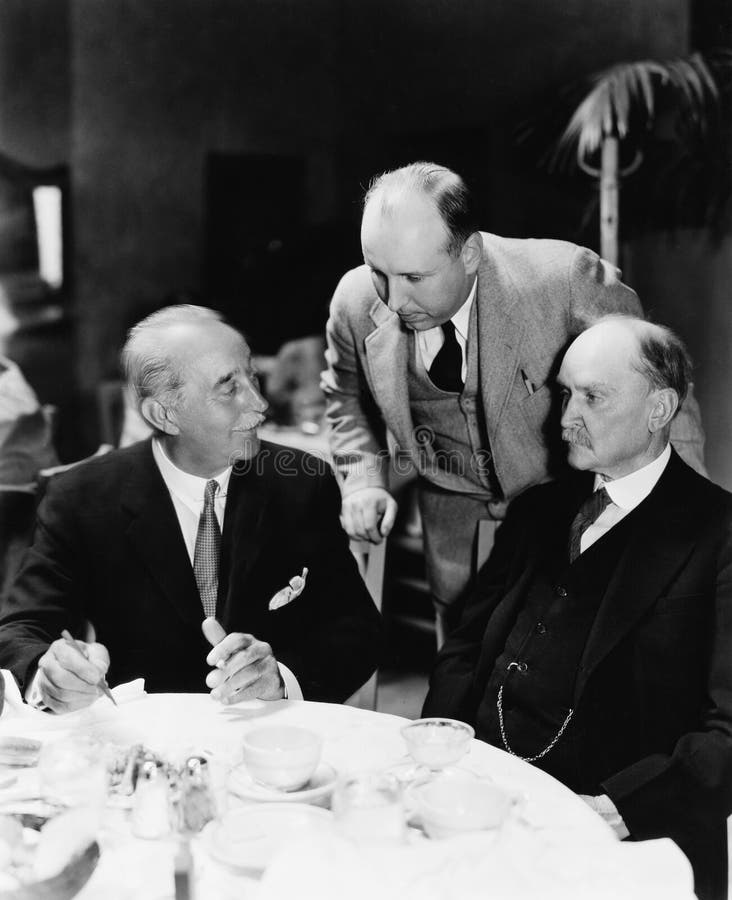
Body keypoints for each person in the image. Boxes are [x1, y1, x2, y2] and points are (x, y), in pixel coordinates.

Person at [422, 316, 732, 900]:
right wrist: (445, 750)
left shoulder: (719, 535)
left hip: (613, 830)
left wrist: (614, 809)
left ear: (659, 409)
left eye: (593, 397)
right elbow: (464, 645)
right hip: (477, 795)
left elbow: (728, 735)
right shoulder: (540, 507)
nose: (565, 419)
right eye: (566, 393)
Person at [322, 161, 705, 633]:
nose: (394, 301)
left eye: (415, 278)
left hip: (565, 513)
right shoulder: (355, 302)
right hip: (454, 532)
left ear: (470, 254)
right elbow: (343, 395)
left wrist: (684, 516)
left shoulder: (565, 281)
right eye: (377, 271)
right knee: (462, 668)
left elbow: (664, 390)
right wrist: (362, 479)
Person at [0, 305, 383, 712]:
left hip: (269, 739)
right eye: (228, 387)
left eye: (252, 376)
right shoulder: (80, 498)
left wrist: (283, 679)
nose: (259, 404)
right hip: (147, 744)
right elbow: (19, 630)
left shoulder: (303, 483)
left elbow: (358, 629)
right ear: (164, 414)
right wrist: (50, 674)